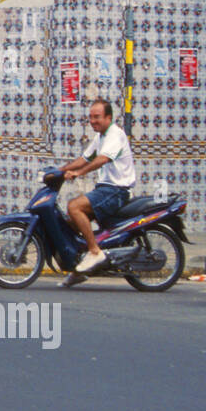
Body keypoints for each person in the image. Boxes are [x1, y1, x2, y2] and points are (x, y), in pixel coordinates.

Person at [59, 98, 136, 284]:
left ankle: (95, 252)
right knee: (70, 224)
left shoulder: (115, 135)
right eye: (91, 117)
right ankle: (79, 270)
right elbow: (84, 158)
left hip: (116, 191)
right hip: (105, 189)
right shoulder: (101, 136)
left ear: (108, 117)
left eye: (97, 117)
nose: (93, 121)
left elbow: (101, 159)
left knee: (74, 207)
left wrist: (78, 173)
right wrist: (58, 172)